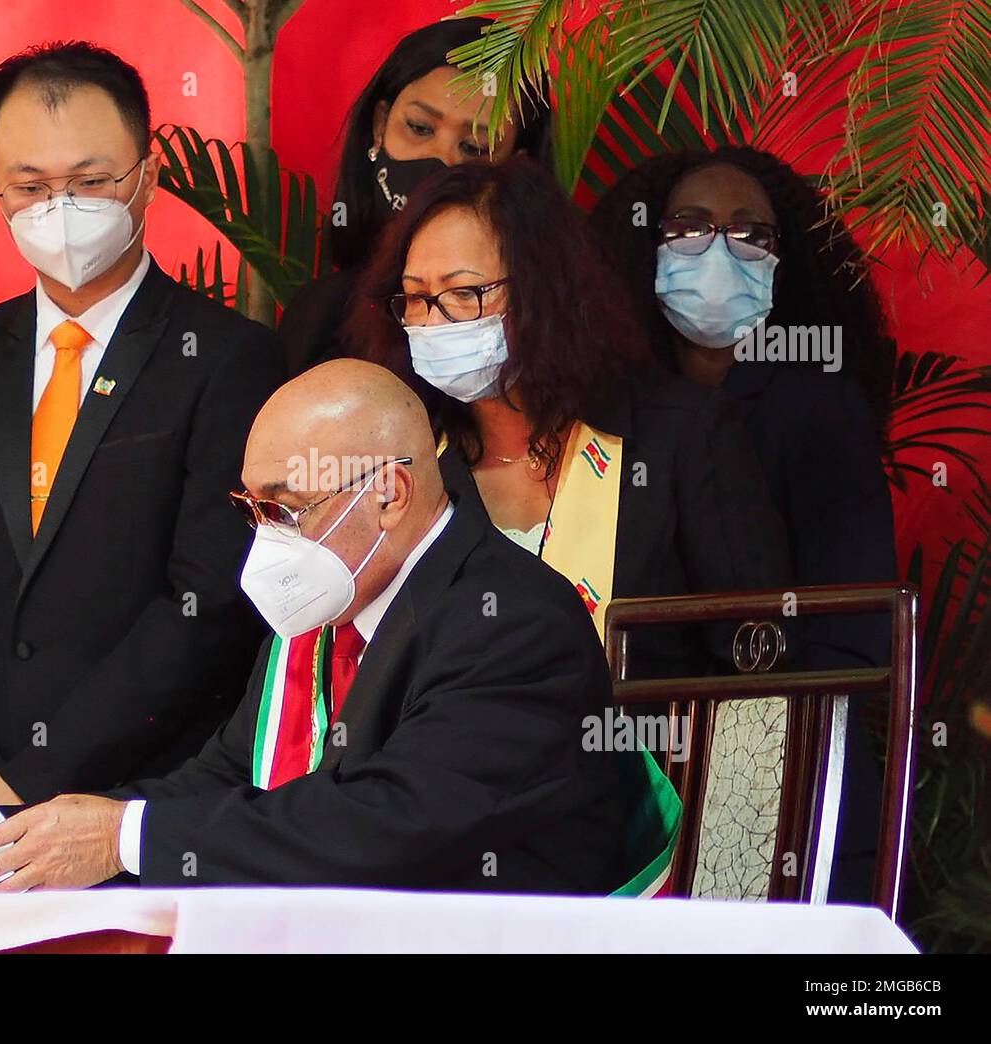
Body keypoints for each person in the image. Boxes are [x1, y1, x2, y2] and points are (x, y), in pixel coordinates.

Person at [0, 360, 652, 895]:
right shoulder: (329, 612)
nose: (267, 540)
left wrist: (126, 838)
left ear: (390, 494)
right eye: (252, 510)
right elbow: (216, 788)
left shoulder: (509, 620)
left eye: (286, 509)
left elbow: (390, 825)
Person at [0, 42, 283, 807]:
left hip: (141, 805)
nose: (59, 209)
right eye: (30, 185)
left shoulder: (229, 360)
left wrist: (29, 785)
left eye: (91, 182)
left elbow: (208, 602)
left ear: (148, 177)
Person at [589, 147, 897, 902]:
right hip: (622, 763)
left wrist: (759, 740)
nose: (719, 251)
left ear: (785, 263)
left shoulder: (819, 405)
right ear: (642, 247)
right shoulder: (605, 406)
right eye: (689, 228)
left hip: (777, 767)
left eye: (750, 234)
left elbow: (852, 628)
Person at [350, 156, 791, 680]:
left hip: (647, 756)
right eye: (418, 298)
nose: (434, 322)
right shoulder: (410, 462)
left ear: (545, 292)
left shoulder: (681, 435)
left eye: (464, 293)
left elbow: (757, 661)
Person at [278, 16, 552, 376]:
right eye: (419, 128)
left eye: (473, 147)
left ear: (517, 167)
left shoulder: (547, 323)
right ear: (380, 127)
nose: (441, 159)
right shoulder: (320, 316)